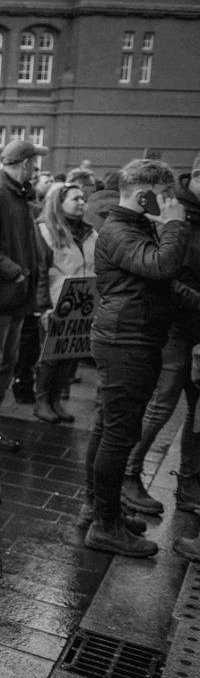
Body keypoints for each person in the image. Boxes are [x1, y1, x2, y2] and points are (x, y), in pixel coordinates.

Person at [84, 158, 189, 558]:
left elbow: (164, 285)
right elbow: (162, 266)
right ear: (145, 194)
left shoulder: (134, 227)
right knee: (118, 434)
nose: (169, 203)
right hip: (126, 342)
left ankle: (100, 510)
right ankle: (104, 524)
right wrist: (176, 224)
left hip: (131, 338)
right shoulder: (121, 230)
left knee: (110, 429)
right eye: (164, 196)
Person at [125, 156, 200, 523]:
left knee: (197, 411)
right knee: (163, 402)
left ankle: (189, 482)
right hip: (174, 322)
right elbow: (163, 269)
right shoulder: (169, 211)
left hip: (195, 320)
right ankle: (128, 472)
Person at [0, 139, 49, 451]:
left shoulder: (20, 195)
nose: (36, 169)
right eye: (33, 163)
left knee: (7, 365)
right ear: (24, 163)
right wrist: (15, 270)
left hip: (18, 297)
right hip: (4, 297)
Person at [33, 183, 95, 425]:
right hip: (56, 301)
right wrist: (44, 308)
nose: (82, 202)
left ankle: (56, 400)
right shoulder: (45, 230)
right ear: (60, 202)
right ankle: (42, 402)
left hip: (83, 301)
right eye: (75, 198)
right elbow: (40, 271)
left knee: (70, 355)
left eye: (83, 198)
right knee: (50, 357)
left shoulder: (90, 232)